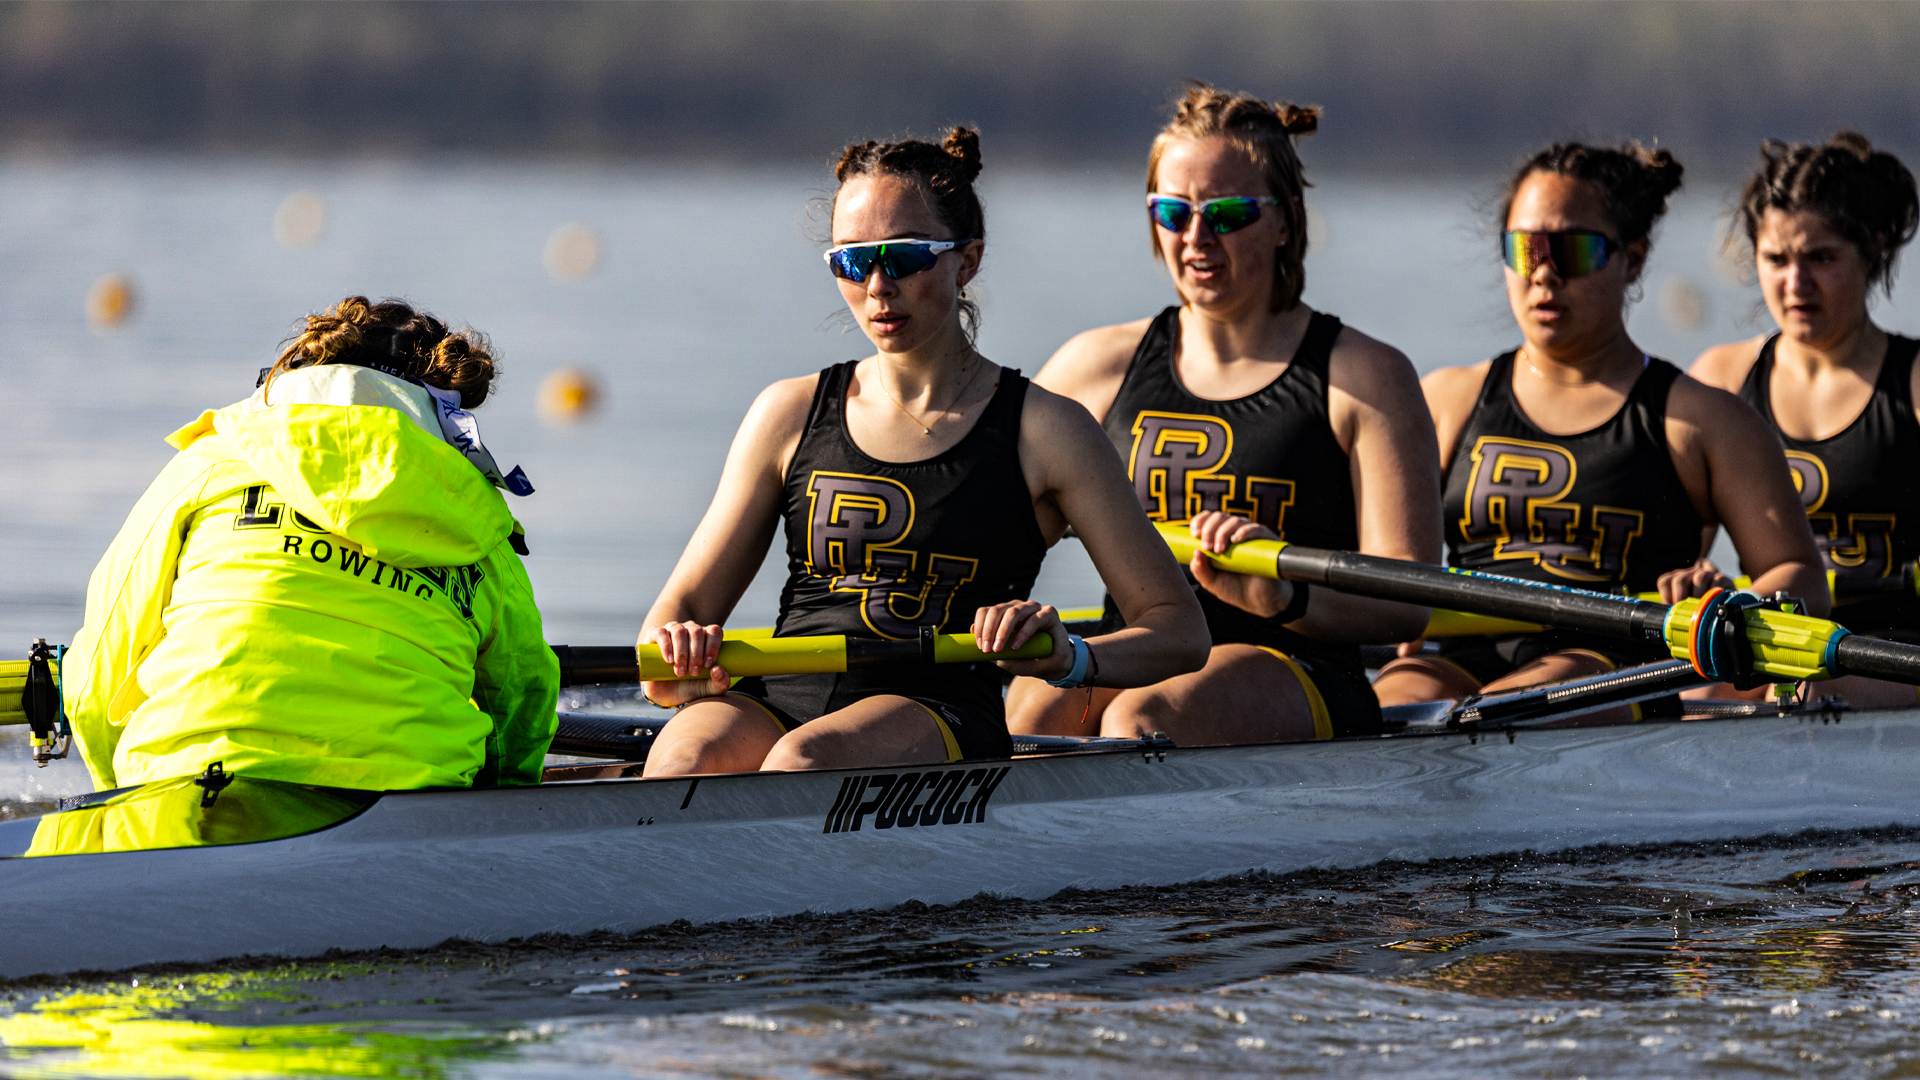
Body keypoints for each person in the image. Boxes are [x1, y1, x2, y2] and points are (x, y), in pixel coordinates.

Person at [638, 129, 1208, 776]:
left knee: (803, 762)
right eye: (853, 262)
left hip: (938, 708)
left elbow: (1179, 632)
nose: (878, 286)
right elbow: (671, 621)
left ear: (967, 261)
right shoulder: (787, 413)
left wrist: (1070, 659)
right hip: (784, 689)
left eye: (904, 257)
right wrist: (676, 658)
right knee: (685, 756)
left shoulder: (1048, 430)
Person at [1003, 85, 1441, 746]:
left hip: (1297, 660)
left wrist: (1281, 592)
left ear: (1287, 220)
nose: (1197, 237)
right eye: (1173, 212)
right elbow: (985, 537)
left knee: (1140, 718)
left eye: (1228, 214)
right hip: (1143, 646)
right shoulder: (1092, 370)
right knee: (1032, 710)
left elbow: (1409, 601)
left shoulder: (1365, 376)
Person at [45, 297, 557, 855]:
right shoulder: (483, 525)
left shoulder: (211, 464)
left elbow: (96, 675)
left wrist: (118, 799)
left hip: (187, 803)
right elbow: (524, 698)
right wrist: (500, 829)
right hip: (407, 819)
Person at [1371, 142, 1828, 710]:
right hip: (1458, 653)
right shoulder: (1446, 400)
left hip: (1616, 663)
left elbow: (1800, 574)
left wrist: (1723, 610)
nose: (1544, 272)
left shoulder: (1704, 421)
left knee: (1501, 715)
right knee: (1385, 713)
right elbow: (1377, 561)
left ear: (1633, 259)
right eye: (1526, 247)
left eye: (1573, 251)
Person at [1690, 133, 1920, 707]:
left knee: (1797, 697)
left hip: (1893, 648)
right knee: (1690, 702)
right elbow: (1680, 554)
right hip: (1772, 648)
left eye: (1821, 258)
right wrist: (1695, 582)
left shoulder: (1915, 383)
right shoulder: (1721, 380)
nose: (1796, 284)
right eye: (1776, 260)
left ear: (1872, 255)